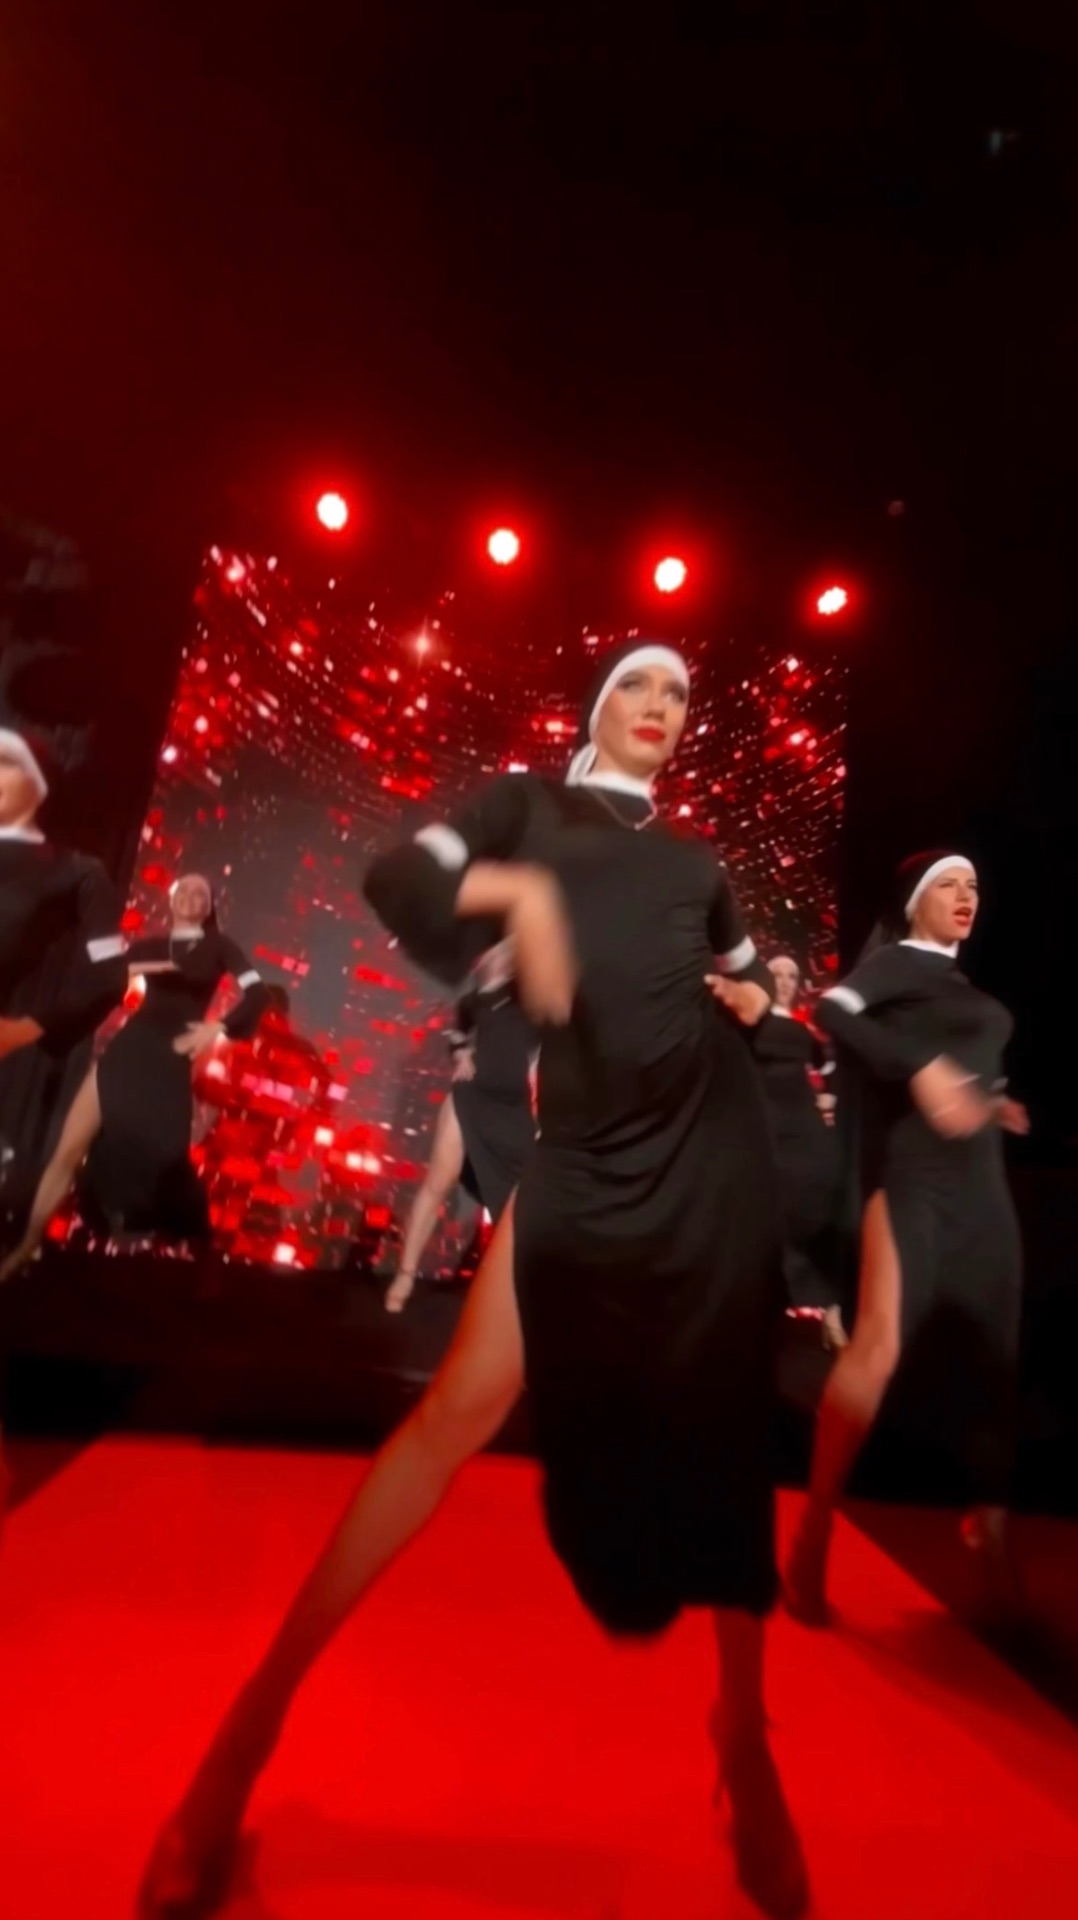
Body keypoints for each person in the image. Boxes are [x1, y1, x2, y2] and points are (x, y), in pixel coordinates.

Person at [137, 640, 807, 1920]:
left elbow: (738, 981)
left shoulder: (696, 863)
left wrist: (750, 1005)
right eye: (637, 686)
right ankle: (247, 1731)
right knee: (455, 1411)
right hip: (584, 1145)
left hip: (707, 1146)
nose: (661, 706)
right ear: (597, 707)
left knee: (720, 1424)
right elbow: (400, 878)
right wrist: (522, 902)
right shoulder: (524, 803)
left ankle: (744, 1734)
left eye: (678, 694)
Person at [783, 852, 1028, 1625]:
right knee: (878, 1346)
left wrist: (989, 1101)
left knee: (994, 1360)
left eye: (974, 885)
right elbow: (833, 1010)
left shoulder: (959, 984)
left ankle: (989, 1536)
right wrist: (920, 1068)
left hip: (982, 1189)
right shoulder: (897, 964)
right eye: (949, 884)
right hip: (913, 1180)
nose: (966, 895)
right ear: (914, 901)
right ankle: (813, 1534)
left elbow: (966, 1071)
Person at [0, 874, 268, 1274]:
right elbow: (103, 978)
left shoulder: (220, 947)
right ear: (172, 900)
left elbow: (258, 992)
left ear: (209, 906)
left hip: (169, 1060)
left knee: (166, 1163)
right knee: (68, 1151)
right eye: (184, 889)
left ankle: (192, 1255)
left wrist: (218, 1027)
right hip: (128, 1051)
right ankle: (28, 1244)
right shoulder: (151, 946)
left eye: (201, 892)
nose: (191, 895)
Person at [0, 719, 126, 1243]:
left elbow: (107, 973)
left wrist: (27, 1028)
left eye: (5, 763)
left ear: (38, 782)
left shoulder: (78, 873)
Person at [384, 937, 537, 1311]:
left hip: (512, 1107)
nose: (499, 955)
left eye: (507, 950)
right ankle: (405, 1274)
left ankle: (518, 1293)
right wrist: (462, 1052)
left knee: (522, 1202)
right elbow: (457, 1034)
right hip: (471, 1096)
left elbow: (548, 1047)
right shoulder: (472, 1002)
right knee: (437, 1183)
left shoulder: (530, 998)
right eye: (495, 950)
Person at [753, 955, 844, 1347]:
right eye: (777, 974)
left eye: (792, 975)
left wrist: (828, 1099)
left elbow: (829, 1068)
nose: (786, 980)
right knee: (772, 1209)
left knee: (820, 1198)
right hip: (766, 1126)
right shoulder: (748, 1023)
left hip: (804, 1126)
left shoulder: (803, 1031)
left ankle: (826, 1303)